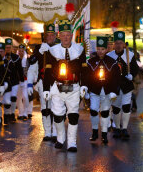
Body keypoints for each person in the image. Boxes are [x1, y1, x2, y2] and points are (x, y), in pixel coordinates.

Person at [43, 20, 87, 152]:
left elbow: (84, 69)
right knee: (57, 115)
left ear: (71, 35)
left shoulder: (79, 49)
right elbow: (48, 71)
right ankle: (61, 138)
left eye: (68, 34)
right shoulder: (52, 51)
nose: (66, 37)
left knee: (73, 115)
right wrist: (46, 88)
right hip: (57, 87)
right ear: (59, 36)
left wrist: (84, 85)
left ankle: (72, 142)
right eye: (63, 34)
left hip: (74, 88)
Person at [81, 36, 120, 144]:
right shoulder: (91, 62)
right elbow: (86, 77)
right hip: (94, 90)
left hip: (107, 91)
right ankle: (94, 133)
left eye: (102, 49)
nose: (100, 51)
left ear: (106, 49)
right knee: (93, 110)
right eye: (98, 49)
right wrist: (85, 88)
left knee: (105, 112)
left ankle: (104, 135)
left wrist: (114, 91)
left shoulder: (112, 63)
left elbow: (116, 79)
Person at [27, 24, 57, 141]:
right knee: (45, 109)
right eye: (47, 35)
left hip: (55, 82)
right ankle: (47, 132)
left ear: (55, 36)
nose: (49, 37)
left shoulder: (59, 47)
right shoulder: (39, 48)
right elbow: (32, 66)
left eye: (52, 35)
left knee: (55, 108)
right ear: (44, 36)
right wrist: (30, 83)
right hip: (42, 81)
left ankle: (55, 131)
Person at [107, 31, 139, 139]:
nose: (119, 45)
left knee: (126, 107)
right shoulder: (109, 56)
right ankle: (116, 128)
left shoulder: (130, 55)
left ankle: (124, 128)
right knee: (116, 108)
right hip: (115, 86)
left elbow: (135, 69)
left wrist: (132, 76)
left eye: (120, 43)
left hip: (126, 85)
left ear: (124, 44)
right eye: (116, 43)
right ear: (114, 44)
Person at [5, 38, 24, 122]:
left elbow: (20, 70)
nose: (8, 49)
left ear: (12, 48)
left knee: (13, 98)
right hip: (5, 82)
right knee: (7, 100)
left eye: (9, 47)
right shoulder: (2, 57)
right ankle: (7, 114)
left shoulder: (16, 57)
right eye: (6, 47)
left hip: (15, 81)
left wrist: (22, 80)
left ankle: (12, 114)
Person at [0, 42, 13, 126]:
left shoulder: (8, 61)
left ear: (4, 52)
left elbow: (10, 72)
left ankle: (7, 116)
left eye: (2, 51)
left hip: (7, 84)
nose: (0, 53)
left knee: (7, 102)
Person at [16, 44, 31, 120]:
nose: (21, 52)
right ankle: (20, 113)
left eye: (22, 51)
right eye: (19, 51)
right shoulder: (15, 59)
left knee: (25, 97)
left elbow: (30, 70)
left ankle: (25, 112)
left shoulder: (28, 59)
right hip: (17, 81)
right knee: (18, 98)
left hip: (25, 80)